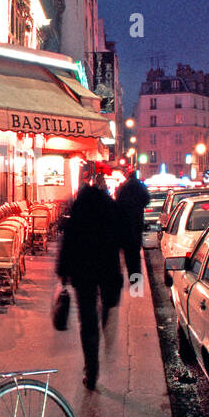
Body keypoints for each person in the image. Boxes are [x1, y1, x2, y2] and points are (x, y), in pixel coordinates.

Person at [56, 161, 124, 390]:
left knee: (87, 321)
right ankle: (104, 327)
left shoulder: (80, 206)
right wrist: (131, 274)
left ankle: (91, 369)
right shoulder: (110, 206)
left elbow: (69, 240)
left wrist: (62, 272)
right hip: (107, 269)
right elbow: (122, 237)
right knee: (105, 307)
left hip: (83, 271)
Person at [114, 170, 151, 281]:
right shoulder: (140, 186)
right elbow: (147, 200)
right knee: (135, 251)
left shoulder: (123, 187)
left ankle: (131, 274)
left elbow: (117, 202)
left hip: (125, 223)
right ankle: (136, 276)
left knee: (128, 251)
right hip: (137, 221)